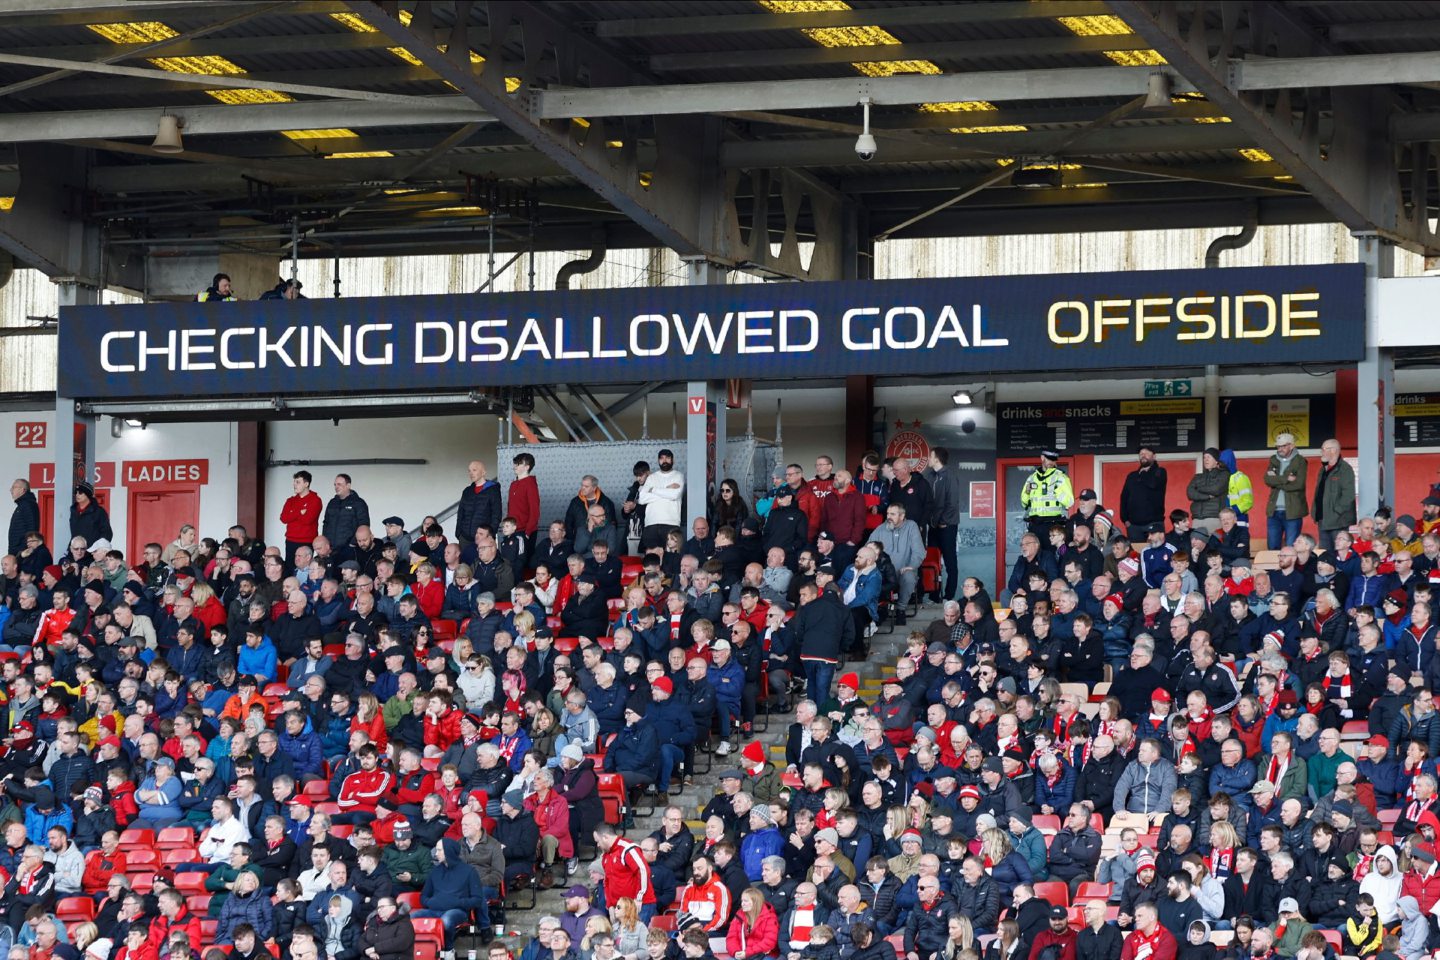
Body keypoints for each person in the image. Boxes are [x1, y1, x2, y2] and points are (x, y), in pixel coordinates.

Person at [1021, 450, 1074, 548]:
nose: (1052, 462)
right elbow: (1024, 503)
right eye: (1049, 459)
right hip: (1035, 525)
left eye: (1054, 460)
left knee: (1051, 557)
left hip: (1052, 526)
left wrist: (1057, 491)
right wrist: (1027, 492)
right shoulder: (1031, 478)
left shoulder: (1061, 477)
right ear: (1042, 458)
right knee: (1034, 556)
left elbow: (1070, 502)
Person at [1264, 433, 1309, 549]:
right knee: (1272, 548)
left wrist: (1277, 482)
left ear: (1292, 445)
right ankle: (1273, 568)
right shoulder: (1273, 460)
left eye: (1283, 446)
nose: (1280, 449)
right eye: (1278, 447)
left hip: (1293, 512)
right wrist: (1286, 479)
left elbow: (1299, 484)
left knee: (1291, 547)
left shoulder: (1300, 461)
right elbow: (1267, 479)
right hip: (1273, 511)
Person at [1313, 439, 1357, 553]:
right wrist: (1315, 511)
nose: (1321, 452)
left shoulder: (1345, 469)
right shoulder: (1323, 469)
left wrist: (1336, 511)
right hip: (1323, 520)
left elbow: (1348, 495)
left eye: (1324, 449)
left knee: (1340, 552)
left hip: (1338, 521)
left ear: (1334, 450)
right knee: (1325, 554)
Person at [1121, 446, 1168, 541]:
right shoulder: (1132, 476)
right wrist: (1125, 519)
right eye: (1141, 454)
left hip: (1154, 524)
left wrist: (1143, 473)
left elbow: (1153, 484)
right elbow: (1124, 497)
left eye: (1146, 453)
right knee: (1136, 555)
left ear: (1154, 456)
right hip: (1134, 526)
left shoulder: (1160, 472)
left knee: (1156, 553)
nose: (1143, 455)